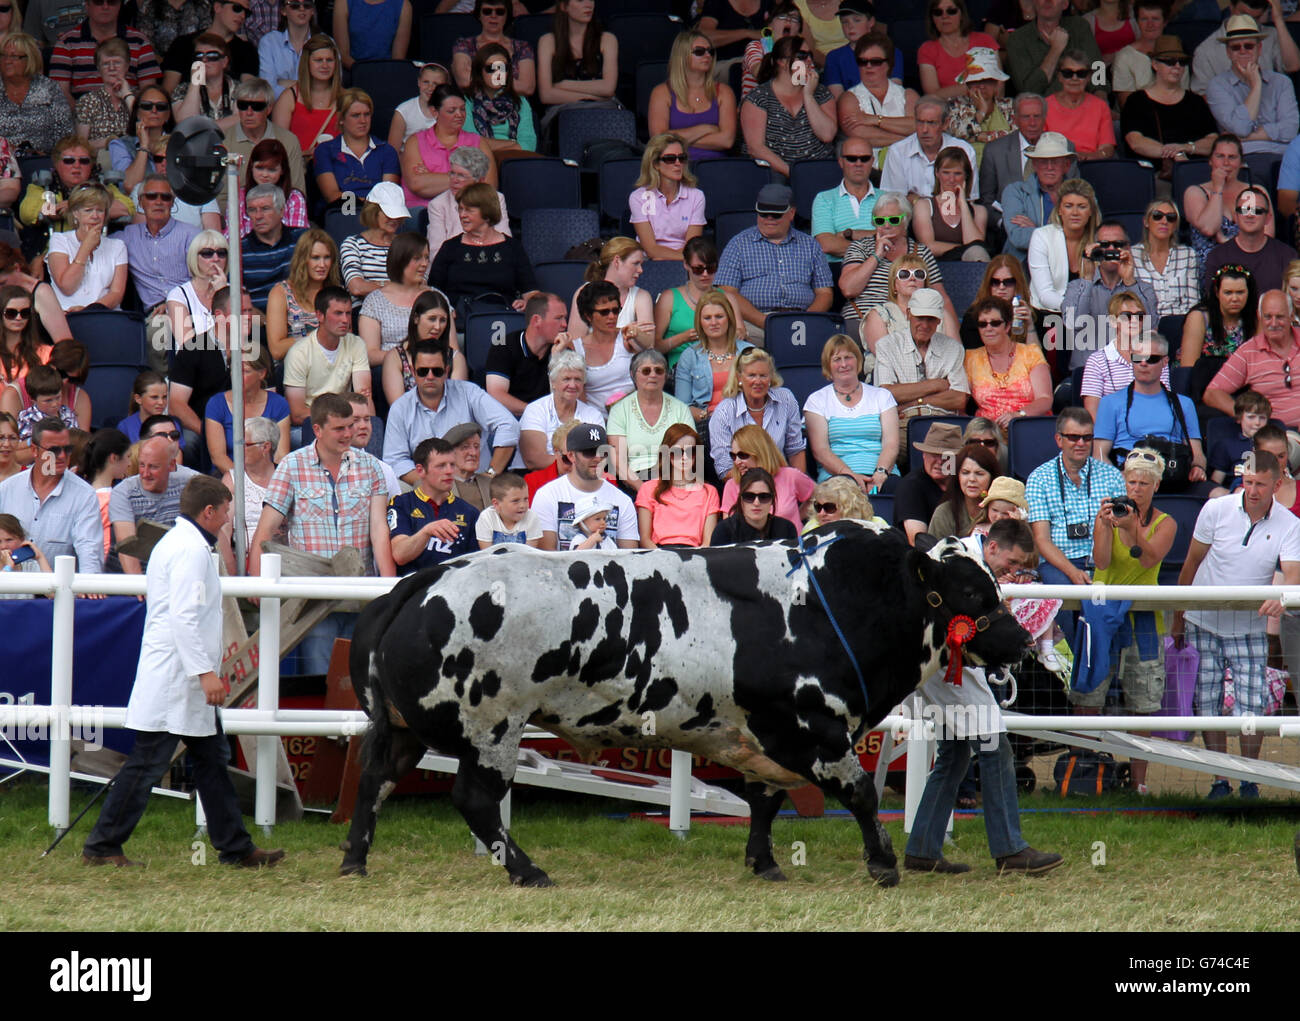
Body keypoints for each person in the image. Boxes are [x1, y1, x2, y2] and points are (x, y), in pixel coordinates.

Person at [82, 475, 284, 869]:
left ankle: (236, 847)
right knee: (147, 766)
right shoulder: (190, 550)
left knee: (210, 761)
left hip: (180, 676)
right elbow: (185, 617)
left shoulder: (179, 543)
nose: (227, 519)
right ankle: (103, 844)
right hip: (179, 679)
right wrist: (206, 673)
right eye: (225, 511)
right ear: (208, 512)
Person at [903, 517, 1063, 876]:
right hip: (949, 666)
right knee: (994, 747)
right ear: (992, 547)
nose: (1015, 571)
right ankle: (1009, 848)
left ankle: (923, 850)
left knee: (956, 753)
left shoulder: (961, 556)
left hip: (945, 665)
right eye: (1013, 562)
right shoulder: (963, 564)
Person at [1172, 448, 1300, 797]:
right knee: (1208, 700)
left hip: (1249, 624)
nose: (1253, 490)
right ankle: (1220, 779)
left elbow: (1293, 574)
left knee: (1252, 703)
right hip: (1203, 618)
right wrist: (1178, 617)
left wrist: (1282, 594)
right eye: (1247, 482)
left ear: (1278, 483)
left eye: (1260, 483)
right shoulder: (1215, 509)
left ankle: (1248, 778)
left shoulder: (1290, 524)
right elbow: (1191, 564)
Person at [252, 393, 395, 674]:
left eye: (350, 426)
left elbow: (379, 531)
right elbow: (266, 530)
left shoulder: (372, 468)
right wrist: (257, 581)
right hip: (312, 598)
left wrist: (388, 587)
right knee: (319, 679)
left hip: (360, 594)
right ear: (317, 429)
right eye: (339, 428)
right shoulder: (291, 467)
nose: (348, 434)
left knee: (358, 685)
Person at [1073, 445, 1176, 793]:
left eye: (1144, 484)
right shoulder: (1108, 516)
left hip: (1144, 616)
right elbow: (1101, 562)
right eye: (1131, 482)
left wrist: (1132, 528)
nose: (1135, 489)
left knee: (1142, 702)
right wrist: (1105, 526)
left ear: (1156, 486)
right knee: (1089, 695)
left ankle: (1139, 783)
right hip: (1103, 614)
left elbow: (1147, 559)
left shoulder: (1166, 523)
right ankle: (1083, 777)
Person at [382, 341, 518, 483]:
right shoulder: (400, 408)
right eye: (423, 371)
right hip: (427, 489)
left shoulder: (469, 393)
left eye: (437, 371)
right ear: (413, 371)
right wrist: (436, 484)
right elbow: (396, 461)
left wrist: (490, 475)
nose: (430, 376)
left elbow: (509, 425)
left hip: (475, 485)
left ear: (447, 371)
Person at [1025, 406, 1127, 587]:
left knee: (1101, 599)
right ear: (1059, 440)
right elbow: (1042, 539)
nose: (1081, 443)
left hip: (1102, 560)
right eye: (1073, 437)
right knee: (1059, 593)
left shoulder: (1112, 476)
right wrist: (1073, 572)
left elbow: (1122, 530)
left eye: (1087, 438)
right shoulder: (1039, 478)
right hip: (1057, 562)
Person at [715, 183, 833, 337]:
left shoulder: (811, 245)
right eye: (763, 214)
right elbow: (726, 292)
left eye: (776, 214)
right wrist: (767, 322)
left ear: (791, 213)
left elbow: (825, 293)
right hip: (754, 323)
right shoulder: (738, 244)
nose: (769, 219)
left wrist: (806, 321)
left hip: (802, 321)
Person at [1094, 331, 1206, 483]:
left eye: (1151, 359)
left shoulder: (1183, 404)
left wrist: (1198, 468)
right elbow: (1099, 455)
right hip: (1128, 478)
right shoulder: (1110, 403)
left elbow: (1197, 453)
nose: (1143, 363)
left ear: (1165, 362)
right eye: (1137, 358)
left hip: (1172, 476)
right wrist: (1118, 479)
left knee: (1220, 495)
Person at [0, 416, 103, 570]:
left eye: (67, 449)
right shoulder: (7, 489)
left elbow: (89, 551)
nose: (62, 455)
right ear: (34, 450)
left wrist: (89, 588)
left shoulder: (84, 495)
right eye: (54, 450)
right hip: (10, 590)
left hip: (59, 591)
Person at [839, 192, 956, 324]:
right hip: (861, 320)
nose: (886, 225)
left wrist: (956, 338)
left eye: (894, 220)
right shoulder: (860, 248)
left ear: (905, 220)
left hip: (909, 323)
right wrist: (876, 256)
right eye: (880, 221)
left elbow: (940, 298)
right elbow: (848, 289)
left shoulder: (921, 252)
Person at [1060, 219, 1160, 371]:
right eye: (1104, 245)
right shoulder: (1076, 287)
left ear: (1128, 248)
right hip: (1088, 371)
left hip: (1131, 371)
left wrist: (1130, 283)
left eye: (1118, 245)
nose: (1111, 249)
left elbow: (1150, 327)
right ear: (1094, 249)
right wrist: (1087, 278)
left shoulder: (1143, 289)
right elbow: (1072, 323)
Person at [804, 332, 899, 490]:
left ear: (858, 360)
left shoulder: (882, 396)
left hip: (882, 474)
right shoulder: (817, 400)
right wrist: (850, 476)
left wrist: (880, 473)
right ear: (828, 365)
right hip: (837, 476)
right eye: (837, 359)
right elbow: (820, 450)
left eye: (848, 357)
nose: (844, 364)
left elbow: (891, 444)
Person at [1120, 35, 1217, 178]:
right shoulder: (1137, 101)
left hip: (1195, 173)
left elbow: (1213, 140)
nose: (1177, 67)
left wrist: (1186, 148)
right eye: (1170, 62)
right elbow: (1135, 142)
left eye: (1182, 62)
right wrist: (1175, 154)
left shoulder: (1195, 101)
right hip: (1152, 176)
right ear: (1154, 64)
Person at [283, 285, 372, 439]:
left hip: (348, 420)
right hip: (313, 425)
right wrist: (337, 419)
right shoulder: (299, 353)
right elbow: (297, 415)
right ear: (320, 315)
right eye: (338, 313)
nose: (345, 320)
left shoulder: (356, 344)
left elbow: (364, 401)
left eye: (348, 313)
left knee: (370, 426)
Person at [740, 34, 836, 176]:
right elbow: (756, 148)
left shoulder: (821, 93)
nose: (809, 60)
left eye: (810, 54)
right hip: (772, 173)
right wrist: (794, 174)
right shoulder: (758, 97)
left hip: (818, 170)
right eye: (802, 55)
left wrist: (808, 95)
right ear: (782, 62)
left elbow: (827, 135)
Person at [533, 422, 639, 550]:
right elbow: (546, 556)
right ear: (571, 456)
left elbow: (628, 557)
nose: (598, 458)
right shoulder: (547, 495)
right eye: (589, 452)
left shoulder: (623, 501)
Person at [1205, 15, 1299, 155]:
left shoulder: (1281, 82)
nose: (1243, 51)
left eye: (1249, 46)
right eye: (1236, 47)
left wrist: (1250, 137)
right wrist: (1256, 86)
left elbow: (1291, 129)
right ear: (1228, 52)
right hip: (1245, 160)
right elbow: (1241, 128)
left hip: (1284, 157)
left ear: (1259, 48)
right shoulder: (1217, 85)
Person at [1205, 289, 1300, 427]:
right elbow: (1212, 393)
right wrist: (1247, 416)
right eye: (1267, 317)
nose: (1273, 324)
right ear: (1259, 316)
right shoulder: (1248, 352)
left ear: (1292, 316)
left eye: (1280, 317)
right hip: (1274, 436)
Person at [980, 93, 1073, 230]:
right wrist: (1007, 224)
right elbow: (986, 201)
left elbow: (1074, 192)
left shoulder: (1064, 147)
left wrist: (1045, 228)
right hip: (1007, 230)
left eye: (1037, 116)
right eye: (1026, 117)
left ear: (1044, 118)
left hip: (1055, 228)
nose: (1032, 123)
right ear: (1015, 119)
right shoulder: (995, 150)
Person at [607, 348, 694, 494]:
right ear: (633, 375)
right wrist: (643, 489)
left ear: (666, 376)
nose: (653, 375)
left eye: (659, 371)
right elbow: (618, 461)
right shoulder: (619, 410)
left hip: (674, 478)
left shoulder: (681, 409)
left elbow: (691, 452)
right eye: (646, 371)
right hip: (635, 482)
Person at [387, 435, 479, 573]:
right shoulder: (401, 504)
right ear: (420, 470)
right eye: (441, 466)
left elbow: (474, 567)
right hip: (412, 589)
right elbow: (400, 555)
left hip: (451, 589)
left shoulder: (470, 512)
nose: (449, 471)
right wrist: (427, 531)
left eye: (452, 465)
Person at [873, 288, 971, 418]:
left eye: (930, 319)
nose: (924, 325)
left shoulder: (953, 348)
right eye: (920, 318)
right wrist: (936, 385)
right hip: (901, 424)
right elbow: (885, 394)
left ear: (939, 320)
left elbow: (959, 399)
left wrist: (913, 403)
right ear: (908, 314)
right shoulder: (887, 345)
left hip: (942, 423)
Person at [109, 433, 197, 574]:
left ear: (171, 465)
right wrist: (140, 588)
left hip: (177, 570)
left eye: (153, 467)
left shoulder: (189, 482)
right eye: (142, 465)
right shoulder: (123, 492)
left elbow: (219, 499)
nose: (145, 473)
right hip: (136, 575)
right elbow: (128, 547)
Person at [401, 82, 495, 211]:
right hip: (424, 213)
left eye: (462, 109)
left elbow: (489, 188)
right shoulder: (415, 141)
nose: (459, 115)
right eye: (452, 110)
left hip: (467, 212)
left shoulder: (477, 142)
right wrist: (472, 179)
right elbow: (418, 185)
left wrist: (432, 177)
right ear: (434, 111)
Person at [646, 31, 736, 165]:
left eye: (710, 51)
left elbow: (727, 141)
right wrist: (705, 129)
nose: (707, 56)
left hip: (715, 166)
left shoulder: (724, 92)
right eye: (699, 51)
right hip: (674, 166)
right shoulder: (662, 92)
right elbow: (658, 140)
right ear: (682, 56)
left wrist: (676, 138)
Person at [1080, 290, 1170, 420]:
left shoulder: (1155, 357)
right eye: (1126, 315)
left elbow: (1164, 401)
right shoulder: (1097, 361)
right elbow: (1093, 412)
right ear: (1112, 321)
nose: (1134, 320)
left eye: (1139, 316)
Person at [965, 296, 1053, 429]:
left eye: (995, 323)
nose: (988, 328)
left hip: (1028, 425)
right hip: (989, 434)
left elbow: (1045, 399)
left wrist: (1018, 415)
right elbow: (960, 401)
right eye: (983, 324)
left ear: (1007, 326)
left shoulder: (1030, 352)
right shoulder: (971, 358)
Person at [120, 173, 199, 319]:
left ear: (172, 202)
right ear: (141, 202)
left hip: (191, 307)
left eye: (165, 197)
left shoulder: (192, 235)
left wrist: (176, 302)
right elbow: (97, 242)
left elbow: (204, 279)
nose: (159, 202)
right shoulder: (129, 236)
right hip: (157, 315)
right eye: (151, 196)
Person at [835, 31, 918, 169]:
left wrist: (875, 120)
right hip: (868, 171)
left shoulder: (908, 94)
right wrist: (906, 140)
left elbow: (917, 125)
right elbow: (859, 134)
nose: (868, 66)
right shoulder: (848, 98)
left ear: (889, 64)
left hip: (909, 167)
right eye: (863, 61)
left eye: (875, 62)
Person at [219, 77, 306, 206]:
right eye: (243, 105)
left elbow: (296, 192)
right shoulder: (223, 142)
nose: (249, 112)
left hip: (280, 216)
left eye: (257, 106)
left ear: (269, 109)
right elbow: (220, 196)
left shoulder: (288, 141)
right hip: (233, 216)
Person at [674, 289, 754, 429]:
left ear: (729, 318)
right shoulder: (689, 356)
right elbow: (682, 406)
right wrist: (711, 417)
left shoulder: (749, 352)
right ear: (700, 322)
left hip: (745, 423)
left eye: (719, 316)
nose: (713, 322)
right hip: (705, 424)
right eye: (707, 318)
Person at [205, 345, 290, 475]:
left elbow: (281, 454)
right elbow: (218, 457)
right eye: (234, 369)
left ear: (262, 373)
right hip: (229, 476)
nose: (237, 375)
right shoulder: (216, 404)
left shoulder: (278, 404)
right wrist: (246, 483)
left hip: (268, 477)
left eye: (245, 371)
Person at [879, 97, 979, 207]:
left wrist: (915, 199)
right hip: (910, 220)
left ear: (946, 123)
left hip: (955, 215)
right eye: (920, 122)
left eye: (931, 123)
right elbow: (894, 202)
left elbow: (968, 200)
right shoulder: (897, 151)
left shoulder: (965, 151)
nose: (924, 130)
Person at [634, 423, 720, 549]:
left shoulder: (709, 492)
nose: (685, 457)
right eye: (677, 452)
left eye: (691, 452)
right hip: (659, 555)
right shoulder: (648, 489)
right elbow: (645, 540)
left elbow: (707, 543)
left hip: (695, 556)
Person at [1180, 264, 1257, 401]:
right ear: (1217, 292)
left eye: (1240, 292)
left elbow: (1258, 364)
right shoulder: (1200, 317)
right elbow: (1188, 369)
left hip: (1241, 388)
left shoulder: (1256, 319)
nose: (1234, 298)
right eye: (1228, 292)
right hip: (1200, 387)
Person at [313, 88, 401, 208]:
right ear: (341, 118)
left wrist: (368, 209)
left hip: (379, 214)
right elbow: (332, 195)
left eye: (367, 114)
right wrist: (364, 205)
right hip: (341, 211)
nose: (363, 121)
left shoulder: (386, 151)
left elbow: (389, 195)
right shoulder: (325, 150)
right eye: (355, 115)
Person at [487, 291, 570, 417]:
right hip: (511, 420)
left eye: (565, 318)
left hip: (551, 422)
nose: (565, 324)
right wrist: (537, 413)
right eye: (558, 318)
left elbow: (570, 399)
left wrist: (556, 360)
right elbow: (496, 394)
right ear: (536, 320)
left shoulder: (564, 349)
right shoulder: (503, 346)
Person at [1185, 134, 1261, 271]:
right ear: (1210, 161)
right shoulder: (1195, 192)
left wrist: (1225, 241)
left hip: (1250, 266)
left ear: (1240, 162)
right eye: (1220, 156)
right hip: (1209, 271)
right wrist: (1218, 189)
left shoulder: (1255, 192)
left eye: (1232, 157)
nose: (1226, 163)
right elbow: (1209, 228)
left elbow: (1266, 236)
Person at [518, 349, 604, 470]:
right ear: (553, 382)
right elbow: (534, 460)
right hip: (540, 478)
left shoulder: (593, 415)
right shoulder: (535, 410)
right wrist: (580, 461)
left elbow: (598, 458)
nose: (573, 385)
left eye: (578, 379)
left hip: (582, 480)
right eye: (566, 379)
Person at [46, 183, 127, 311]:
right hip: (66, 314)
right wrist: (86, 247)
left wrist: (88, 311)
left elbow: (116, 294)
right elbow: (67, 286)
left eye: (100, 210)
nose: (95, 216)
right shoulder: (59, 240)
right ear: (75, 213)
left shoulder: (117, 246)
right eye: (88, 210)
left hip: (103, 314)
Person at [1026, 177, 1100, 317]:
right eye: (1068, 206)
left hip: (1089, 317)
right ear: (1059, 209)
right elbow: (1045, 294)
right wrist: (1076, 308)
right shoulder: (1042, 236)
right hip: (1046, 314)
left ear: (1091, 211)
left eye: (1082, 206)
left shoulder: (1099, 241)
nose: (1075, 213)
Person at [1191, 0, 1300, 94]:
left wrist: (1279, 20)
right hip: (1228, 113)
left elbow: (1293, 66)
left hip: (1270, 109)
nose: (1247, 21)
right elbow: (1202, 94)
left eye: (1255, 18)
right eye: (1243, 14)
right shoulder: (1206, 50)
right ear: (1231, 7)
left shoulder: (1271, 34)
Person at [1201, 185, 1295, 294]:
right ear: (1236, 216)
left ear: (1268, 218)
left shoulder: (1287, 256)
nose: (1250, 215)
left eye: (1257, 210)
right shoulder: (1217, 257)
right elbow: (1212, 303)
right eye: (1244, 210)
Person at [381, 289, 468, 405]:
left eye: (442, 320)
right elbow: (398, 407)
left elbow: (457, 404)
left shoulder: (455, 358)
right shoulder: (395, 357)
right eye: (432, 319)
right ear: (416, 318)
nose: (437, 326)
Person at [628, 133, 706, 262]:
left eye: (682, 158)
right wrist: (685, 258)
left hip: (686, 262)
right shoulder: (638, 197)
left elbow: (692, 246)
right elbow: (651, 249)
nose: (678, 163)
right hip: (649, 263)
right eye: (670, 159)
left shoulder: (696, 196)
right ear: (655, 164)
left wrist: (682, 258)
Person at [425, 145, 510, 263]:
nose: (454, 180)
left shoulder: (496, 198)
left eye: (461, 175)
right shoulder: (438, 205)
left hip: (490, 262)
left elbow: (505, 240)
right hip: (453, 267)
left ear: (480, 180)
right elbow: (436, 253)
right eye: (452, 173)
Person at [265, 228, 340, 361]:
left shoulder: (337, 292)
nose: (322, 265)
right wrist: (319, 336)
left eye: (327, 257)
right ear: (303, 259)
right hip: (293, 366)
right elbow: (277, 350)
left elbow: (346, 337)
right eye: (315, 258)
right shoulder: (281, 293)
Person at [720, 423, 813, 529]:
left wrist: (796, 518)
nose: (737, 461)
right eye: (733, 456)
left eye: (742, 455)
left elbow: (818, 495)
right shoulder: (732, 485)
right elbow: (728, 528)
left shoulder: (790, 476)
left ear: (760, 452)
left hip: (790, 543)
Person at [358, 231, 431, 366]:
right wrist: (407, 357)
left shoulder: (436, 298)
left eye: (426, 258)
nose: (424, 264)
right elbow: (370, 354)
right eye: (417, 258)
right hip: (389, 369)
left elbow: (453, 351)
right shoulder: (374, 302)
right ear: (400, 259)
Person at [859, 256, 960, 353]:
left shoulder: (942, 314)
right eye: (904, 274)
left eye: (919, 274)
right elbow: (885, 356)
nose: (912, 278)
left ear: (925, 283)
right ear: (894, 285)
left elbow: (955, 353)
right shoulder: (878, 315)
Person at [535, 0, 618, 117]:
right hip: (563, 112)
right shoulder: (548, 41)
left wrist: (562, 85)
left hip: (602, 110)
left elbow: (608, 88)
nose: (589, 5)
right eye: (580, 0)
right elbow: (546, 95)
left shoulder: (607, 39)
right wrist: (593, 97)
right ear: (564, 6)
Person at [1006, 0, 1105, 96]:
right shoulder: (1017, 39)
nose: (1048, 1)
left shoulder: (1079, 27)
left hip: (1082, 107)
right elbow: (1029, 92)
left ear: (1065, 3)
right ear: (1034, 2)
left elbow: (1097, 67)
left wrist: (1101, 99)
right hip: (1041, 110)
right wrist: (1055, 50)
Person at [464, 40, 539, 167]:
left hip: (515, 163)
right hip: (477, 163)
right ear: (479, 71)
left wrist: (489, 145)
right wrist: (512, 143)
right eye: (491, 69)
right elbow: (471, 143)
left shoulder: (520, 101)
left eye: (502, 68)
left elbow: (528, 144)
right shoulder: (467, 101)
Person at [0, 30, 74, 157]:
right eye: (3, 55)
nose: (7, 61)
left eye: (14, 56)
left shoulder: (49, 88)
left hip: (43, 162)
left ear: (30, 59)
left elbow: (65, 135)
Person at [910, 146, 989, 263]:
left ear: (966, 175)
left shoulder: (979, 211)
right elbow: (928, 246)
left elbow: (976, 247)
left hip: (968, 270)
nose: (951, 179)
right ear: (937, 173)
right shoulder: (924, 206)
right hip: (934, 267)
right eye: (946, 173)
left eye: (957, 174)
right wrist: (962, 249)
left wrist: (962, 204)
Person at [569, 237, 655, 343]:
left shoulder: (642, 296)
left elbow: (648, 345)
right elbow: (575, 343)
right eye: (635, 263)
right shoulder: (585, 292)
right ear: (617, 261)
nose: (641, 270)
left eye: (641, 264)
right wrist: (627, 331)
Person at [271, 33, 341, 162]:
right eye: (318, 60)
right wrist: (302, 154)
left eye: (329, 60)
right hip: (301, 171)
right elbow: (278, 147)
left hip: (338, 170)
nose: (325, 65)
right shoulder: (289, 97)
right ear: (307, 63)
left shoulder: (345, 98)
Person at [162, 0, 259, 90]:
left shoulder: (247, 50)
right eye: (237, 8)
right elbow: (168, 92)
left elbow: (248, 94)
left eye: (247, 13)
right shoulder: (182, 44)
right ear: (217, 7)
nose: (242, 15)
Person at [810, 137, 878, 264]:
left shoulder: (888, 198)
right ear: (841, 162)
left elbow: (895, 240)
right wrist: (876, 242)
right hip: (837, 269)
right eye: (852, 158)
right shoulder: (824, 199)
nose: (858, 163)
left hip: (880, 271)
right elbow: (827, 244)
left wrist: (851, 234)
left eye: (865, 158)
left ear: (872, 161)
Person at [943, 48, 1015, 166]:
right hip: (967, 169)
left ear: (996, 82)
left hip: (1005, 168)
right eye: (976, 81)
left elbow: (1015, 138)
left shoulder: (1009, 105)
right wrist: (981, 111)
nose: (981, 86)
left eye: (987, 80)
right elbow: (958, 135)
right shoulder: (954, 105)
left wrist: (975, 137)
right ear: (968, 84)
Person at [341, 181, 411, 304]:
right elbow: (356, 287)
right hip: (365, 310)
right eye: (388, 213)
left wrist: (375, 285)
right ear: (373, 212)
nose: (394, 219)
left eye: (397, 214)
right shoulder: (352, 244)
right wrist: (395, 286)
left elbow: (419, 284)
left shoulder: (408, 245)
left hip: (403, 308)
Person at [1129, 198, 1200, 318]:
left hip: (1180, 322)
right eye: (1157, 216)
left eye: (1170, 217)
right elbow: (1131, 301)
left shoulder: (1188, 254)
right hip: (1145, 324)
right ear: (1146, 222)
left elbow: (1192, 303)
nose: (1164, 221)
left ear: (1175, 225)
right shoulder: (1132, 255)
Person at [221, 414, 279, 561]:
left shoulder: (285, 477)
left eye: (244, 444)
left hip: (283, 558)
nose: (237, 450)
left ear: (266, 447)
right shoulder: (232, 480)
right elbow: (224, 528)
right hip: (243, 560)